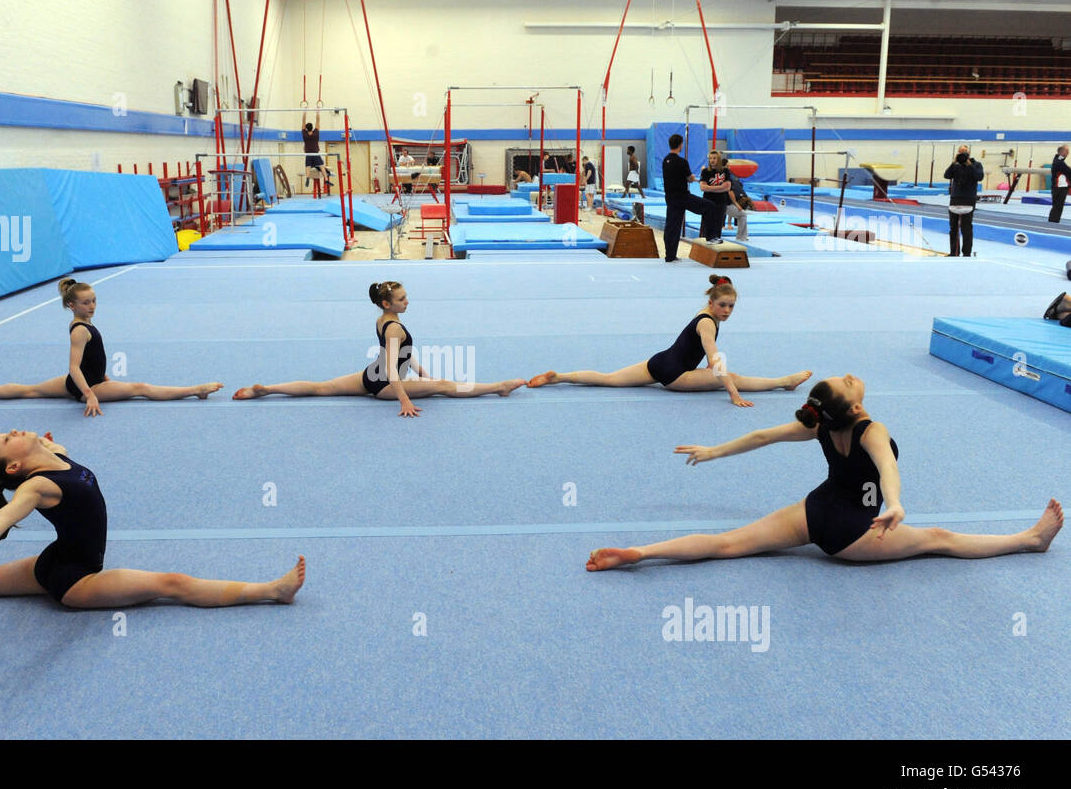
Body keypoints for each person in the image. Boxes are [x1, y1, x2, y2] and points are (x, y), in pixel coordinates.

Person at [586, 374, 1063, 571]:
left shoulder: (818, 426)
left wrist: (714, 451)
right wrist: (894, 504)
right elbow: (887, 467)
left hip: (815, 512)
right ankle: (1028, 540)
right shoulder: (870, 429)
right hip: (855, 532)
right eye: (848, 382)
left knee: (729, 542)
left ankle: (640, 552)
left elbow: (761, 437)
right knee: (938, 537)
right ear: (855, 405)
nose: (852, 376)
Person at [0, 430, 306, 610]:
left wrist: (48, 444)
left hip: (52, 560)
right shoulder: (36, 485)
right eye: (5, 441)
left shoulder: (51, 454)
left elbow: (61, 454)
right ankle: (270, 591)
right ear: (14, 467)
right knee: (170, 583)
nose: (13, 431)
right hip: (75, 579)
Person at [232, 281, 526, 417]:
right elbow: (394, 371)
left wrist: (421, 372)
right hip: (386, 383)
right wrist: (404, 402)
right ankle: (499, 387)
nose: (407, 302)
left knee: (321, 388)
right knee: (446, 386)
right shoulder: (396, 327)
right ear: (388, 303)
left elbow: (398, 357)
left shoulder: (382, 320)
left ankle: (267, 389)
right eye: (401, 299)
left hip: (370, 375)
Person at [0, 279, 222, 416]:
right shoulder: (80, 330)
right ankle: (195, 390)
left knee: (28, 389)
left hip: (82, 382)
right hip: (84, 385)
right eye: (85, 303)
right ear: (72, 306)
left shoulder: (79, 324)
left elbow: (93, 359)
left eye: (93, 300)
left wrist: (101, 376)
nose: (91, 306)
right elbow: (74, 367)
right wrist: (91, 394)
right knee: (141, 388)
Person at [528, 276, 811, 406]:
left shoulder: (703, 312)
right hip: (676, 376)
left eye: (731, 307)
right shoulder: (707, 324)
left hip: (658, 361)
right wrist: (733, 393)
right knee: (732, 375)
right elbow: (715, 359)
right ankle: (784, 382)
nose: (727, 311)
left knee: (609, 378)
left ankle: (559, 377)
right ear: (711, 303)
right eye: (723, 305)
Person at [661, 134, 718, 262]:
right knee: (710, 207)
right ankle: (711, 237)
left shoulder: (665, 160)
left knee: (672, 227)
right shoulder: (682, 162)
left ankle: (670, 256)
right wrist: (697, 176)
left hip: (670, 198)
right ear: (681, 145)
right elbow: (690, 178)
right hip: (682, 197)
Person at [943, 145, 983, 256]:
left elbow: (979, 177)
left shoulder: (976, 164)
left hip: (968, 198)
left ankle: (966, 253)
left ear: (969, 152)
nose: (963, 153)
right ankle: (953, 252)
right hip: (955, 198)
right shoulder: (956, 165)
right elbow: (946, 175)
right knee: (953, 227)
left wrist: (969, 165)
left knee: (966, 227)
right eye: (960, 151)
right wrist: (954, 162)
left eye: (964, 151)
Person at [697, 150, 731, 244]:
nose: (712, 160)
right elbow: (702, 187)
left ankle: (716, 240)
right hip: (708, 201)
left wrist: (710, 188)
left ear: (719, 159)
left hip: (721, 202)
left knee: (718, 224)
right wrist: (720, 188)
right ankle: (704, 242)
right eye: (711, 158)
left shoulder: (725, 171)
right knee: (706, 224)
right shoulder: (705, 171)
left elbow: (727, 187)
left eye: (714, 158)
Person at [301, 110, 332, 190]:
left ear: (306, 129)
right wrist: (317, 112)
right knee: (321, 167)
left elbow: (303, 122)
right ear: (312, 128)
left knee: (308, 167)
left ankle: (307, 178)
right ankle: (326, 179)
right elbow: (318, 121)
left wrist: (304, 112)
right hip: (315, 153)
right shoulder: (316, 134)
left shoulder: (305, 134)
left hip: (308, 154)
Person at [725, 165, 752, 241]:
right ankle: (740, 237)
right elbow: (731, 194)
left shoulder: (737, 184)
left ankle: (742, 236)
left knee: (742, 214)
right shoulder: (729, 180)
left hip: (727, 203)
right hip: (725, 203)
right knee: (742, 214)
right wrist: (729, 224)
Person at [1049, 144, 1070, 223]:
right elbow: (1068, 171)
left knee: (1057, 206)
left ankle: (1053, 221)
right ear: (1062, 152)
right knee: (1058, 206)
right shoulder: (1058, 162)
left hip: (1059, 187)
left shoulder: (1058, 160)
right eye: (1067, 151)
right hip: (1059, 187)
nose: (1068, 153)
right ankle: (1053, 222)